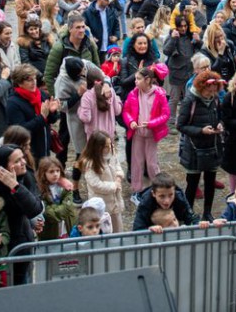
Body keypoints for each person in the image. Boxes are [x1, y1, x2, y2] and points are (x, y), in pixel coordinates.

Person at [0, 145, 44, 284]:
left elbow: (35, 208)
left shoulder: (27, 176)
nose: (23, 162)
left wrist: (15, 185)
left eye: (22, 158)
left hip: (22, 244)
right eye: (17, 161)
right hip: (0, 249)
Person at [178, 69, 225, 221]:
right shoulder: (190, 100)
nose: (210, 94)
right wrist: (200, 131)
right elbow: (181, 125)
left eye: (213, 91)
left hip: (212, 147)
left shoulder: (216, 99)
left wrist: (219, 125)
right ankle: (188, 214)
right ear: (200, 87)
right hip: (194, 149)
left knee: (210, 182)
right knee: (192, 184)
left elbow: (220, 117)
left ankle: (207, 212)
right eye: (208, 91)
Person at [122, 65, 171, 195]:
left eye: (138, 79)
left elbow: (165, 114)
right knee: (136, 162)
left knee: (151, 163)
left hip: (151, 134)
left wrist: (151, 123)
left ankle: (159, 187)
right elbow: (126, 110)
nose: (135, 81)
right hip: (137, 133)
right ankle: (137, 190)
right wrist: (131, 121)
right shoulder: (133, 93)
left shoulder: (159, 94)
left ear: (147, 80)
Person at [7, 64, 61, 161]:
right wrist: (42, 117)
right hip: (27, 151)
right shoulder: (13, 103)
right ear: (19, 83)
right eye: (29, 80)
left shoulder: (41, 94)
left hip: (44, 145)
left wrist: (52, 111)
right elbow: (21, 130)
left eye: (35, 79)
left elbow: (51, 120)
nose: (34, 82)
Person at [78, 131, 125, 233]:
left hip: (114, 200)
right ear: (97, 148)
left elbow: (117, 166)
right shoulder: (90, 163)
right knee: (104, 228)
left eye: (110, 144)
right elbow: (95, 184)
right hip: (102, 203)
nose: (110, 147)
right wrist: (114, 186)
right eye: (106, 146)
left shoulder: (111, 153)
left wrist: (118, 177)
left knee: (117, 226)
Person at [130, 172, 201, 232]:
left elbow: (191, 218)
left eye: (170, 195)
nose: (167, 201)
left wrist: (199, 225)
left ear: (174, 192)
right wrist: (149, 230)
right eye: (162, 196)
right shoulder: (146, 203)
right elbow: (137, 229)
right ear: (153, 194)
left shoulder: (180, 198)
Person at [35, 156, 77, 240]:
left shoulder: (66, 187)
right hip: (50, 232)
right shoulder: (39, 190)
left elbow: (68, 208)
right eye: (51, 172)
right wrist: (62, 208)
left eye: (57, 171)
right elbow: (49, 214)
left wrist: (55, 209)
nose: (55, 174)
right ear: (44, 173)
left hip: (66, 228)